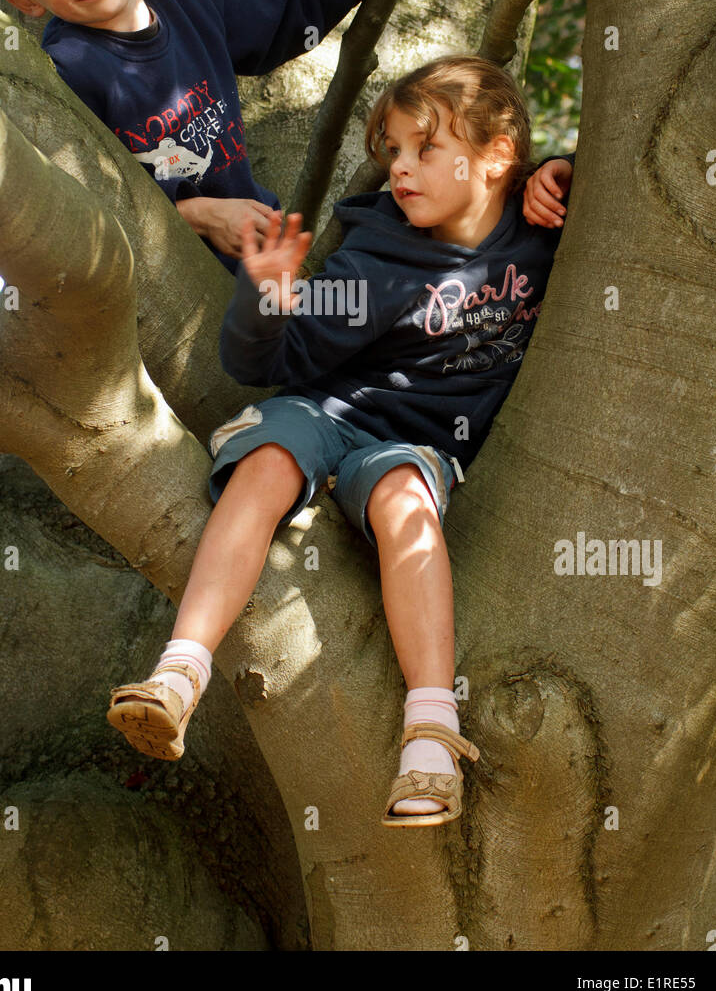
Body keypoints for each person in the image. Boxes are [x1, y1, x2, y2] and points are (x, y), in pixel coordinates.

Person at [106, 54, 575, 827]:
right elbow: (267, 364)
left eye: (425, 149)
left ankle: (430, 733)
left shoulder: (539, 228)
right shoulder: (375, 252)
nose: (400, 169)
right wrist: (265, 297)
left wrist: (564, 166)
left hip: (416, 445)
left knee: (405, 503)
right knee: (268, 458)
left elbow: (619, 186)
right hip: (326, 412)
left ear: (496, 155)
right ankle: (179, 673)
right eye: (391, 151)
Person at [0, 0, 460, 271]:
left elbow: (292, 7)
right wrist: (200, 214)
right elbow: (86, 204)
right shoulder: (66, 73)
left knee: (398, 239)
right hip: (169, 282)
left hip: (263, 253)